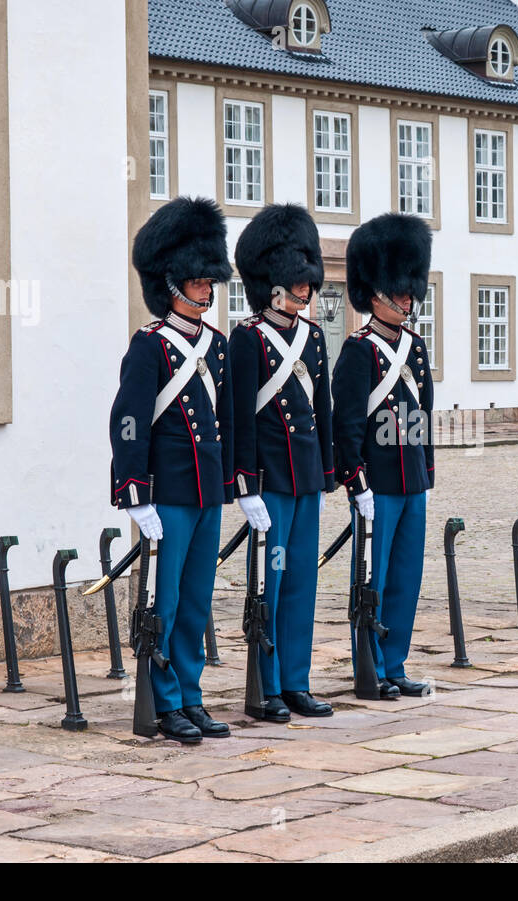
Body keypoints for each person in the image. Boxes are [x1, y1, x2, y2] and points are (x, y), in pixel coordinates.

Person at [109, 195, 235, 744]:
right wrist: (134, 492)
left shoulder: (218, 346)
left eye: (209, 280)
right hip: (168, 495)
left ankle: (191, 693)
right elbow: (129, 421)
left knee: (197, 598)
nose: (207, 288)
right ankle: (164, 701)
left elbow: (225, 421)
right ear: (173, 283)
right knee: (165, 599)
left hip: (206, 493)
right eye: (198, 280)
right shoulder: (149, 346)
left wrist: (237, 485)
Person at [229, 203, 336, 721]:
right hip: (270, 480)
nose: (306, 290)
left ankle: (296, 679)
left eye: (307, 281)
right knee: (270, 582)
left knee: (302, 583)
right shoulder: (247, 338)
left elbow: (323, 409)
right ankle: (266, 685)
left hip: (306, 478)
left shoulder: (313, 337)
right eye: (298, 282)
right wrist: (245, 485)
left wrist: (333, 472)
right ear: (275, 283)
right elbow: (239, 419)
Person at [331, 213, 435, 700]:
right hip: (376, 483)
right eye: (400, 291)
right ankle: (368, 665)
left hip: (411, 479)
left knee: (406, 577)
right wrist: (356, 481)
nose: (408, 300)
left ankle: (395, 662)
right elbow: (348, 422)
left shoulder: (415, 348)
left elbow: (424, 414)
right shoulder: (358, 351)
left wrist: (425, 472)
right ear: (376, 293)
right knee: (373, 577)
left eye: (411, 291)